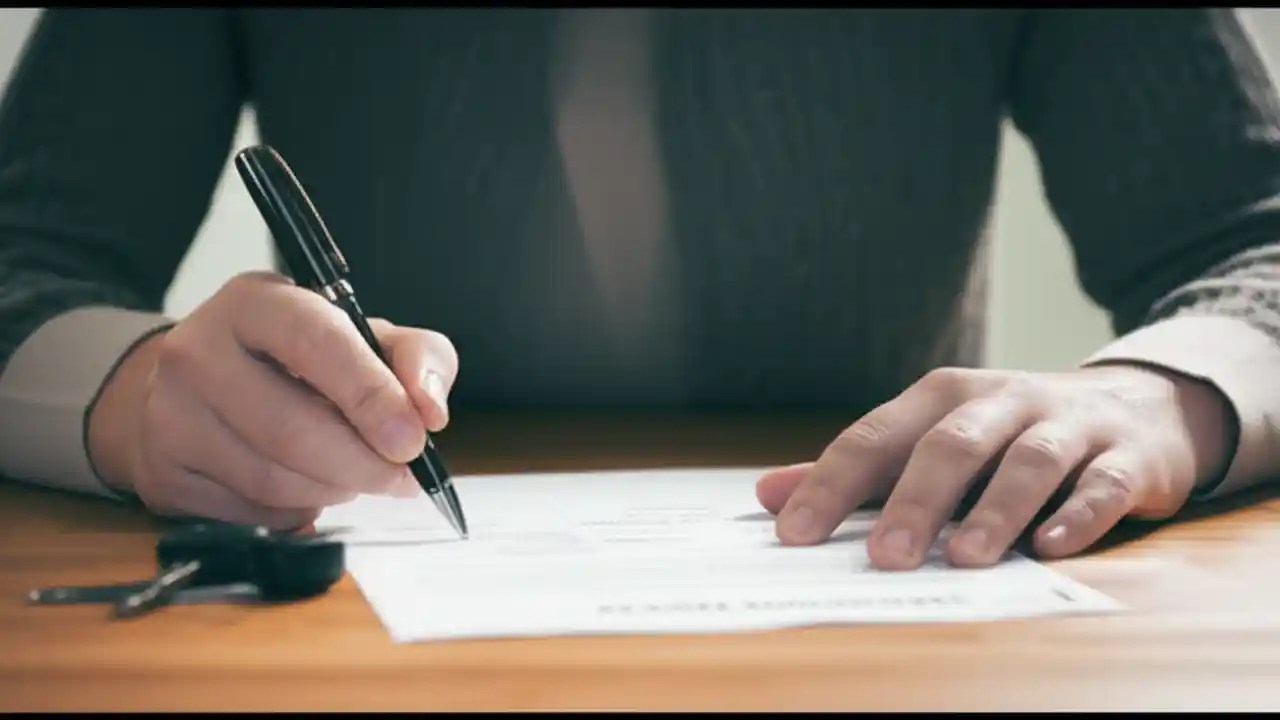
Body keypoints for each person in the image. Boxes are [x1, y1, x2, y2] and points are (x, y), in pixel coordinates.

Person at [0, 8, 1277, 572]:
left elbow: (1253, 239)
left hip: (885, 613)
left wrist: (1166, 397)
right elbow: (23, 249)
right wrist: (133, 395)